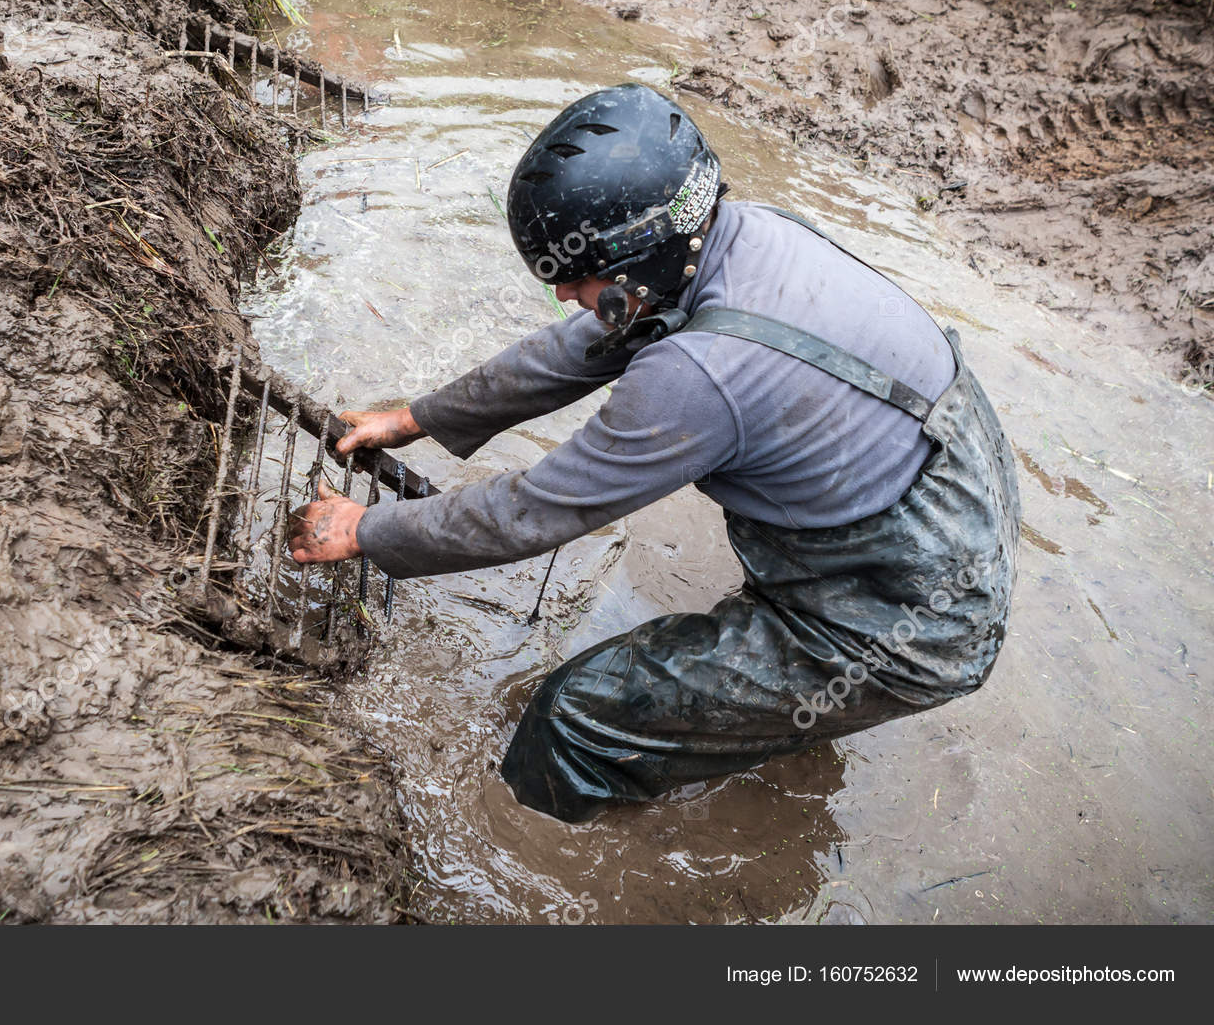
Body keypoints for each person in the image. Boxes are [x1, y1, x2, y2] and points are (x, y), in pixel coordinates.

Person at [287, 83, 1021, 823]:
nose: (564, 293)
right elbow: (579, 346)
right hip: (956, 487)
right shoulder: (740, 235)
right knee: (698, 689)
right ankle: (767, 717)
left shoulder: (699, 376)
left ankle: (541, 837)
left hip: (913, 617)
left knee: (573, 717)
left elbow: (531, 511)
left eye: (575, 277)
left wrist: (363, 530)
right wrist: (416, 417)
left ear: (643, 257)